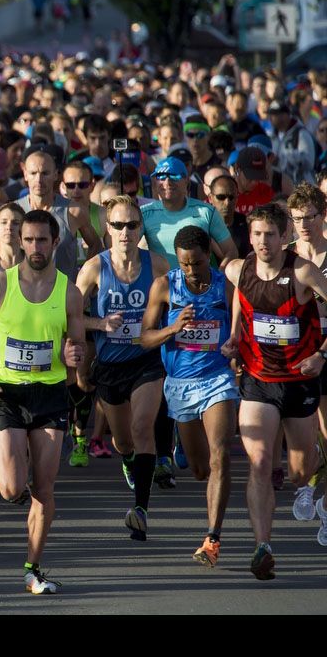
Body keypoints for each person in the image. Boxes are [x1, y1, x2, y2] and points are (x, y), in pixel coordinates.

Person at [0, 209, 86, 594]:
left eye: (43, 240)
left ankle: (33, 568)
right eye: (29, 240)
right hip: (8, 393)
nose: (35, 247)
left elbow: (79, 346)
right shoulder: (1, 287)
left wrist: (75, 356)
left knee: (44, 488)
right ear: (20, 241)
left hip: (50, 394)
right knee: (10, 488)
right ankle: (9, 453)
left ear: (55, 243)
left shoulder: (69, 292)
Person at [222, 202, 327, 578]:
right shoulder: (238, 268)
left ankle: (315, 453)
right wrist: (235, 334)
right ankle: (262, 545)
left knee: (300, 472)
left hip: (299, 381)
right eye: (256, 234)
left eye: (270, 234)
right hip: (258, 381)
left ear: (285, 237)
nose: (263, 241)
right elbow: (239, 294)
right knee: (261, 464)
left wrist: (321, 355)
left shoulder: (302, 272)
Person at [140, 226, 239, 566]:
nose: (192, 271)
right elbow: (145, 338)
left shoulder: (224, 285)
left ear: (207, 257)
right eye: (185, 264)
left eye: (197, 263)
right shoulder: (165, 286)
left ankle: (213, 538)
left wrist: (234, 346)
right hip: (180, 384)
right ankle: (184, 445)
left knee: (220, 455)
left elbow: (241, 326)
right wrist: (172, 327)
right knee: (199, 470)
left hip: (217, 379)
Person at [76, 195, 169, 540]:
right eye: (117, 225)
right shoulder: (94, 268)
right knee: (124, 440)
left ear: (140, 228)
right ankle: (129, 459)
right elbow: (71, 314)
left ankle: (141, 509)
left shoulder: (157, 264)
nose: (125, 232)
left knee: (143, 426)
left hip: (146, 361)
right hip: (110, 366)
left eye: (132, 225)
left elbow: (175, 304)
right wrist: (99, 325)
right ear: (107, 228)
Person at [285, 183, 327, 545]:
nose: (303, 224)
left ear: (322, 216)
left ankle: (325, 503)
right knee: (304, 434)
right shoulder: (284, 256)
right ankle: (307, 483)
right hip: (293, 355)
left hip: (325, 352)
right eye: (297, 218)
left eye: (310, 217)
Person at [17, 149, 101, 282]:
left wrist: (84, 281)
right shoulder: (15, 212)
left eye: (45, 173)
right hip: (24, 294)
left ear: (56, 175)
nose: (39, 179)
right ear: (25, 175)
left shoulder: (74, 211)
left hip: (64, 295)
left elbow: (95, 244)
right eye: (33, 173)